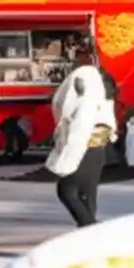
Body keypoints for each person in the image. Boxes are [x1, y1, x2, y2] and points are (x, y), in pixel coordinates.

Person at [48, 50, 117, 227]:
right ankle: (88, 227)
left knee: (67, 190)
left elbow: (80, 126)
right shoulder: (102, 93)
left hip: (85, 144)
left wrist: (68, 153)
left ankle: (88, 226)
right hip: (98, 146)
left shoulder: (86, 93)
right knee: (87, 191)